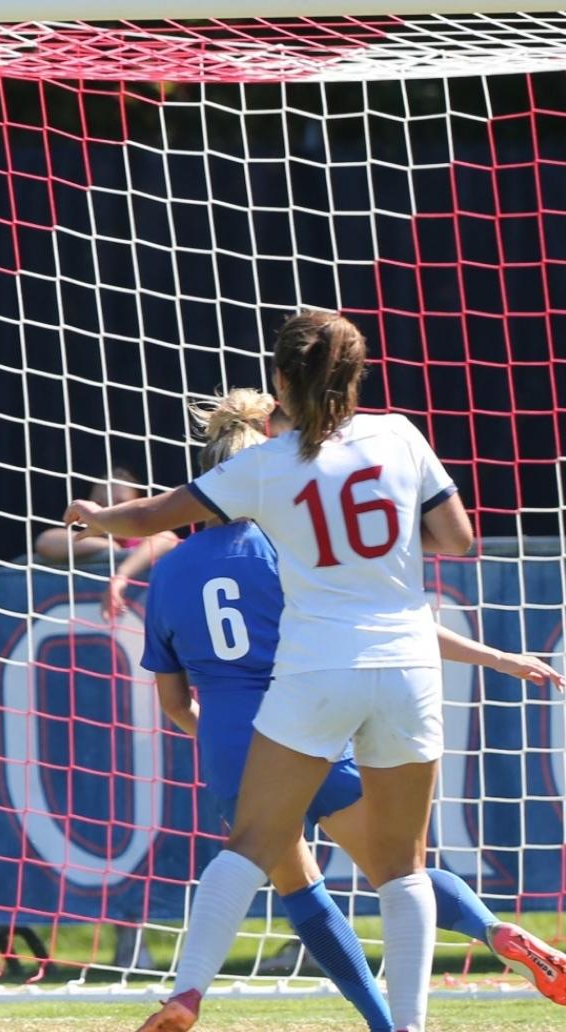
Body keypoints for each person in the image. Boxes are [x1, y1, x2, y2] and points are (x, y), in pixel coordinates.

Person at [64, 309, 480, 1032]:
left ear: (281, 384)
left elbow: (151, 516)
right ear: (358, 378)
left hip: (319, 669)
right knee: (403, 866)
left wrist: (93, 518)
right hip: (408, 665)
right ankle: (409, 1027)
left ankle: (188, 991)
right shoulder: (402, 436)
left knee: (253, 841)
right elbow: (458, 540)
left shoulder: (262, 466)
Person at [136, 387, 566, 1030]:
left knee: (301, 893)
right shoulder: (290, 545)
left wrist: (216, 737)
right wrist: (503, 659)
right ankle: (495, 930)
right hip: (309, 726)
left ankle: (375, 1022)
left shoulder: (170, 571)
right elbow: (394, 621)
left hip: (231, 747)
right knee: (397, 867)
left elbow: (173, 702)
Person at [34, 466, 177, 564]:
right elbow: (45, 541)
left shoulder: (143, 541)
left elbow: (168, 538)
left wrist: (124, 572)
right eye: (99, 502)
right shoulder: (90, 538)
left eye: (120, 502)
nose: (109, 508)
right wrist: (109, 546)